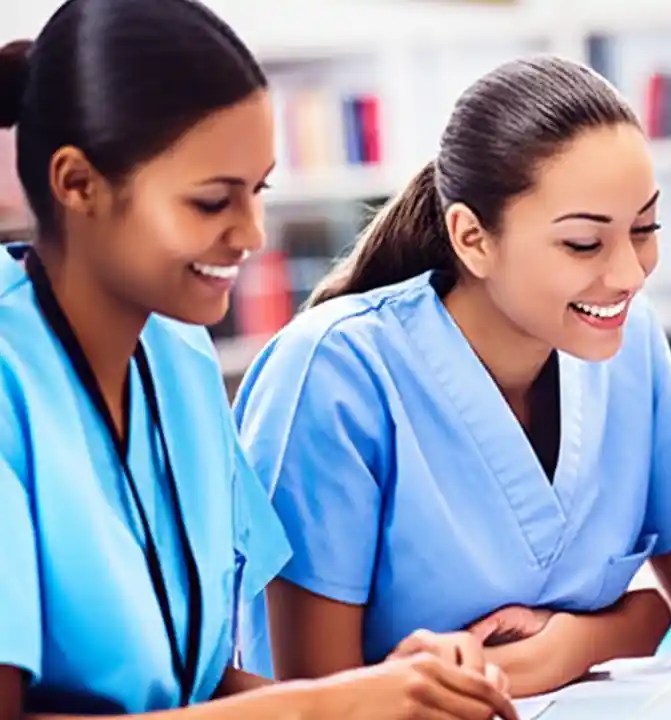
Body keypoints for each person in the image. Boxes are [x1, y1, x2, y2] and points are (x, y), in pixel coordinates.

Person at [232, 55, 671, 699]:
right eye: (585, 244)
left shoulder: (629, 346)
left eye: (644, 229)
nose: (629, 274)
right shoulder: (335, 374)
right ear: (473, 238)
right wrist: (599, 635)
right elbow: (322, 697)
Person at [0, 2, 517, 718]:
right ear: (77, 184)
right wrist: (325, 709)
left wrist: (386, 695)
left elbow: (198, 685)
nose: (251, 233)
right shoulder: (10, 383)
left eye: (258, 190)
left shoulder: (179, 358)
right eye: (213, 201)